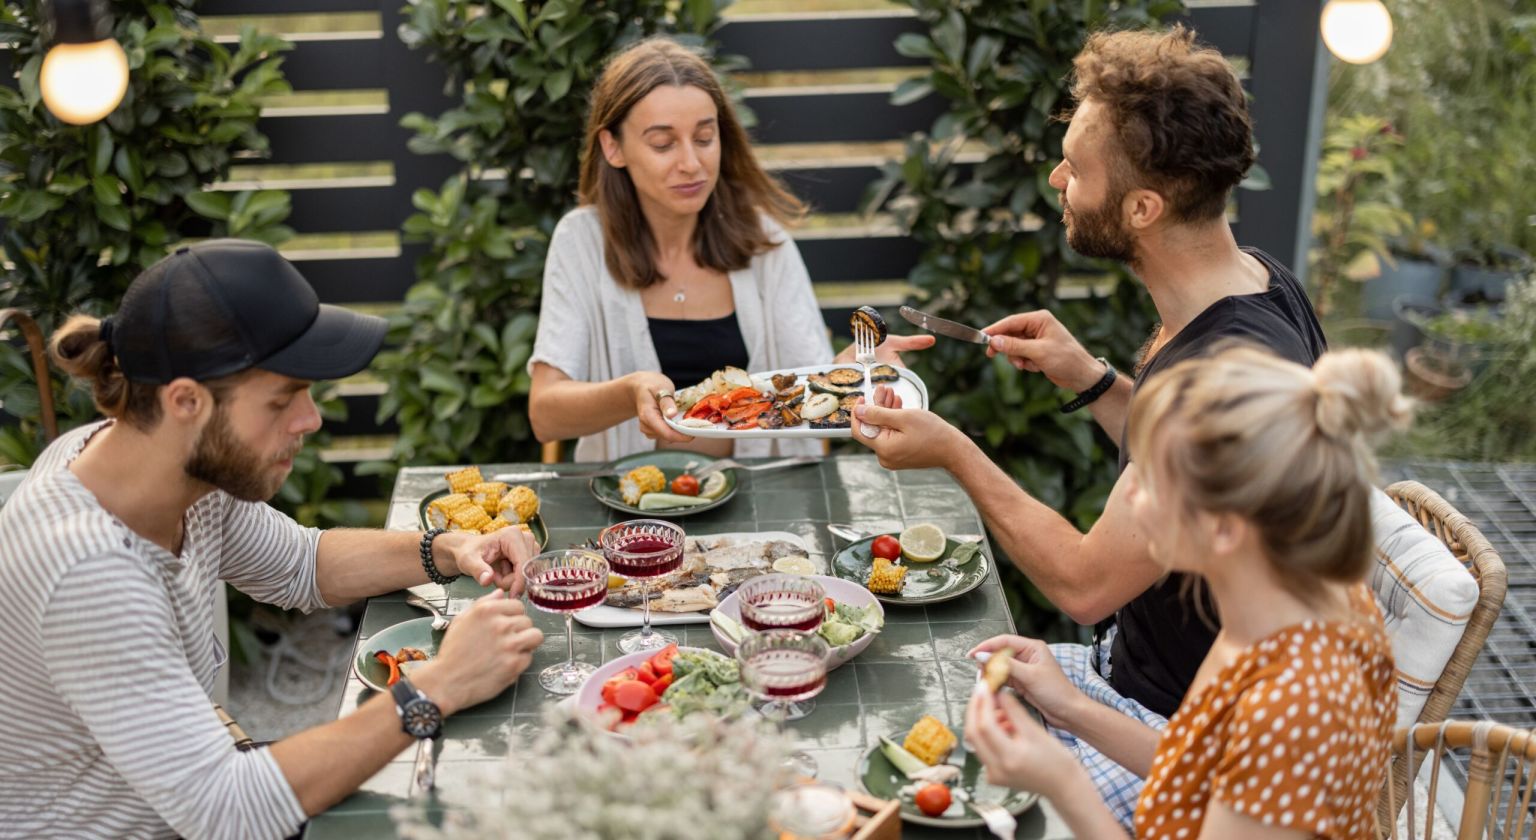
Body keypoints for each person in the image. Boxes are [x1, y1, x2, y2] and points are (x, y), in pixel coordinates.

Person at [850, 26, 1326, 821]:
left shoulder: (1223, 380)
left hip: (1171, 735)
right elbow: (1193, 463)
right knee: (898, 686)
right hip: (1122, 676)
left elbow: (1084, 582)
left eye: (1077, 167)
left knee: (909, 800)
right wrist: (1096, 379)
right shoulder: (1256, 283)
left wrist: (955, 456)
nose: (1056, 177)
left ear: (1143, 207)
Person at [0, 240, 545, 839]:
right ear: (186, 401)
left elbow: (300, 565)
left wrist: (447, 549)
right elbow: (230, 811)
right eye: (283, 400)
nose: (310, 419)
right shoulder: (89, 571)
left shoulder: (158, 461)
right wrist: (439, 687)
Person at [965, 345, 1407, 839]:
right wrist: (1069, 706)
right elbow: (1199, 770)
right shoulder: (1281, 599)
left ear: (1221, 528)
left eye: (1148, 477)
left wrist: (1062, 783)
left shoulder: (1293, 707)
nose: (1127, 494)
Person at [528, 37, 929, 462]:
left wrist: (856, 372)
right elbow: (545, 415)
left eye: (704, 138)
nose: (691, 163)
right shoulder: (581, 242)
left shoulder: (764, 244)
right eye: (663, 144)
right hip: (630, 510)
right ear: (613, 146)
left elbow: (811, 390)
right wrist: (630, 393)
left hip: (765, 504)